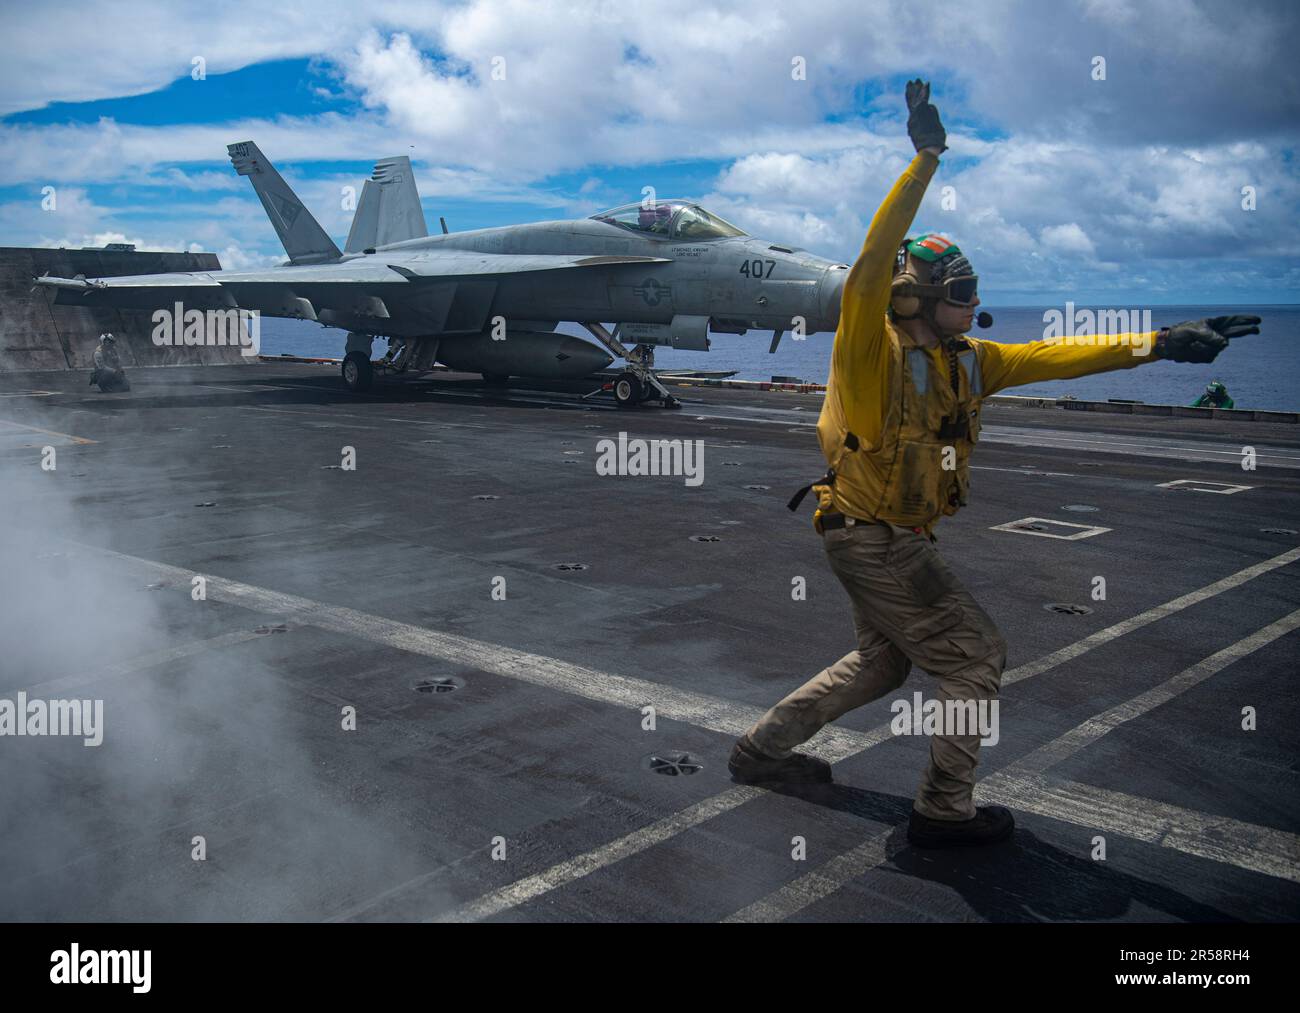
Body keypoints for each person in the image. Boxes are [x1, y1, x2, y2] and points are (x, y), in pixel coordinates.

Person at [728, 79, 1261, 848]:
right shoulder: (869, 353)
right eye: (962, 293)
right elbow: (873, 260)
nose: (974, 306)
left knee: (882, 666)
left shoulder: (970, 360)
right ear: (913, 298)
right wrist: (926, 159)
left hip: (880, 535)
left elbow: (1059, 355)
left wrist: (1164, 340)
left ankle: (760, 751)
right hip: (876, 537)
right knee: (978, 658)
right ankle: (944, 811)